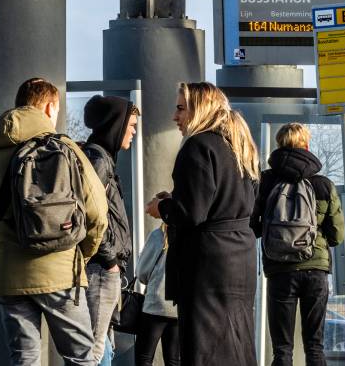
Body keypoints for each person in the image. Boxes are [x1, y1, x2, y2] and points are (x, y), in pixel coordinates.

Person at [0, 77, 109, 366]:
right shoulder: (67, 149)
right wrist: (78, 257)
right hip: (61, 271)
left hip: (9, 276)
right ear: (49, 107)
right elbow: (98, 211)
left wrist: (0, 259)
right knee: (81, 359)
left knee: (25, 359)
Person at [148, 82, 259, 366]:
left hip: (206, 265)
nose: (175, 117)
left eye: (181, 108)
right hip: (240, 260)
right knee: (235, 343)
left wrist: (162, 207)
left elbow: (191, 213)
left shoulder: (198, 146)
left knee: (204, 349)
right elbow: (229, 202)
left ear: (201, 109)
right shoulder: (237, 146)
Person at [250, 122, 345, 366]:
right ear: (306, 145)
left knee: (282, 349)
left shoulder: (266, 181)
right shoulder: (324, 184)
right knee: (315, 346)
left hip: (280, 269)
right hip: (315, 271)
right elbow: (337, 236)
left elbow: (253, 225)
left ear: (279, 145)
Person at [80, 95, 140, 366]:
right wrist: (110, 260)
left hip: (103, 268)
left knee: (103, 346)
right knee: (95, 348)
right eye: (131, 126)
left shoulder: (100, 157)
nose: (134, 132)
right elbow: (91, 215)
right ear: (115, 126)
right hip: (101, 270)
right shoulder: (99, 162)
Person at [135, 222, 179, 366]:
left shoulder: (158, 235)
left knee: (144, 357)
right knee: (173, 360)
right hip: (179, 307)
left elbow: (142, 273)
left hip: (156, 305)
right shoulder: (191, 236)